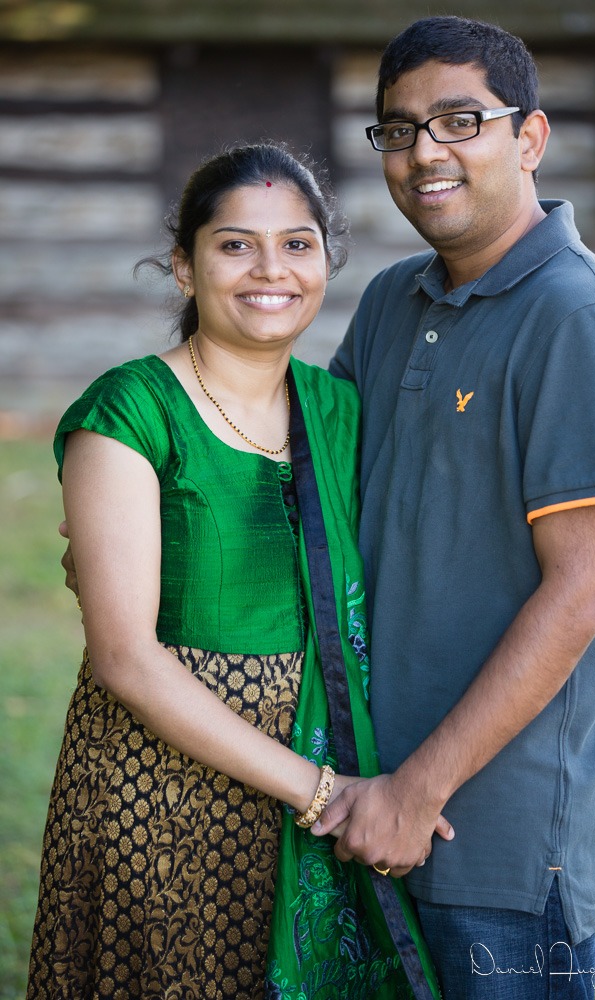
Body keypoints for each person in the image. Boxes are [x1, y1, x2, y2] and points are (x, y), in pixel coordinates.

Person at [27, 143, 442, 1000]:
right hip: (161, 789)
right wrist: (327, 794)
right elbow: (125, 658)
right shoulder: (131, 411)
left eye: (296, 244)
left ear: (325, 259)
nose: (270, 270)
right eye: (234, 245)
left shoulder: (340, 412)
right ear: (184, 266)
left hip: (324, 744)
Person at [315, 15, 595, 999]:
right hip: (368, 800)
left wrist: (415, 790)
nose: (425, 152)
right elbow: (310, 478)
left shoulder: (579, 315)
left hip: (502, 845)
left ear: (529, 137)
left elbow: (580, 595)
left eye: (459, 121)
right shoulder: (391, 301)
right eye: (398, 129)